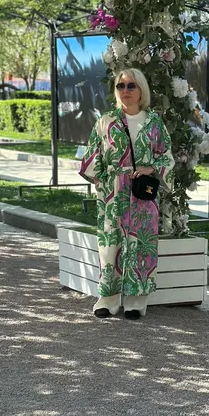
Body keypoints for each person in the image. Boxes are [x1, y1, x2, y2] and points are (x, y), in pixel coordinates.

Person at [79, 68, 175, 320]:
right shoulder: (106, 121)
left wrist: (150, 168)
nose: (125, 91)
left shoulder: (154, 123)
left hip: (142, 193)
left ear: (141, 90)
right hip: (113, 194)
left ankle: (135, 302)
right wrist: (102, 183)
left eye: (131, 86)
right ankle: (108, 300)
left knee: (140, 245)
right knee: (110, 245)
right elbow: (92, 155)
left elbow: (167, 156)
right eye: (120, 86)